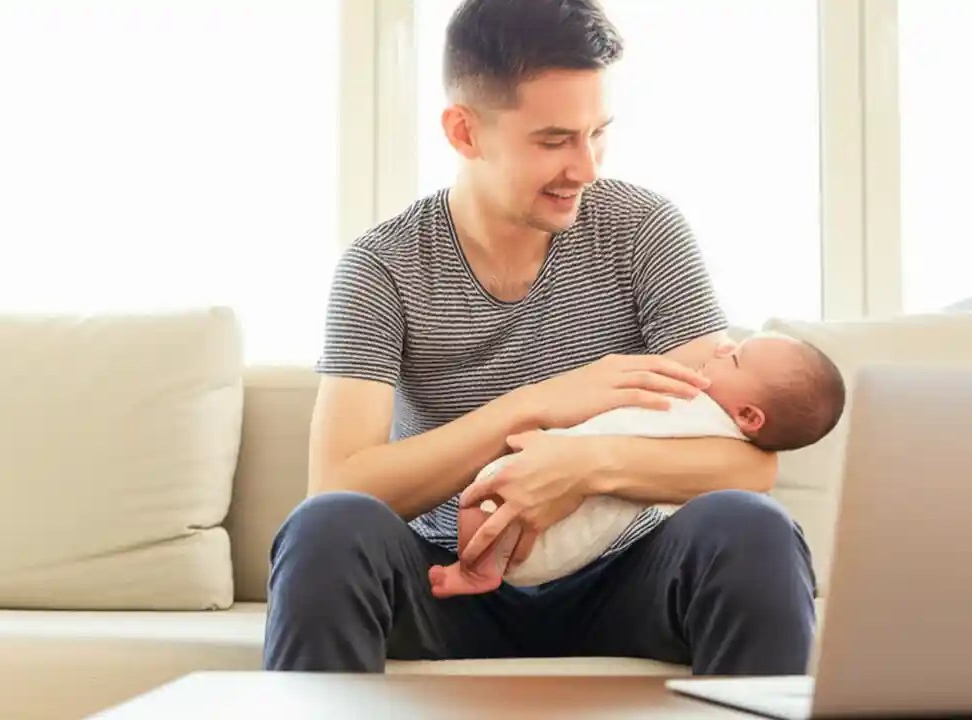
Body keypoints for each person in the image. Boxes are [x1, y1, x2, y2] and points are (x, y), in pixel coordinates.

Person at [264, 0, 819, 675]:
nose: (585, 168)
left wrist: (583, 466)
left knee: (751, 530)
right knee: (326, 533)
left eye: (598, 133)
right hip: (450, 582)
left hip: (619, 576)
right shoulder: (383, 266)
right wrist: (532, 407)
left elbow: (746, 463)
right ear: (464, 131)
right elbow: (337, 486)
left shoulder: (643, 230)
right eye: (554, 140)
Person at [428, 332, 846, 598]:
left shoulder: (703, 419)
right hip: (535, 547)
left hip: (595, 560)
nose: (722, 347)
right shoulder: (701, 415)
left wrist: (579, 460)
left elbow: (756, 472)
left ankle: (477, 569)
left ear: (750, 417)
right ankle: (478, 570)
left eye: (734, 358)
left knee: (760, 524)